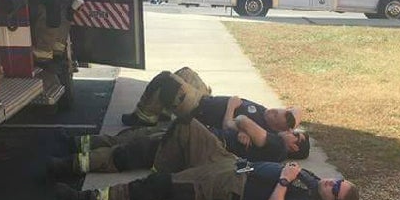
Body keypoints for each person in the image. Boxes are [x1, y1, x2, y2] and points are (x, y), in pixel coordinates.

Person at [54, 119, 358, 200]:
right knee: (186, 126)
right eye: (338, 181)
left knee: (158, 188)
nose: (332, 182)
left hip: (226, 188)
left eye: (335, 189)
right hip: (229, 161)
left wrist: (283, 180)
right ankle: (157, 166)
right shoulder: (316, 182)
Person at [49, 114, 310, 175]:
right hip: (210, 135)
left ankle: (69, 164)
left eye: (294, 133)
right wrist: (243, 130)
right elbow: (235, 123)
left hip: (207, 144)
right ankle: (76, 144)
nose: (289, 131)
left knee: (141, 150)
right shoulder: (270, 141)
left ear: (295, 146)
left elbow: (240, 119)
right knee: (138, 135)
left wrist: (245, 128)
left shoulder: (276, 147)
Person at [120, 67, 301, 132]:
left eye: (276, 116)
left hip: (198, 110)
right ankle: (164, 111)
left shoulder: (257, 127)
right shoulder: (265, 113)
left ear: (278, 127)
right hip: (206, 99)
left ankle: (144, 117)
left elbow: (228, 127)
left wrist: (231, 105)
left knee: (165, 80)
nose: (273, 111)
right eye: (278, 109)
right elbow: (296, 113)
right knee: (186, 72)